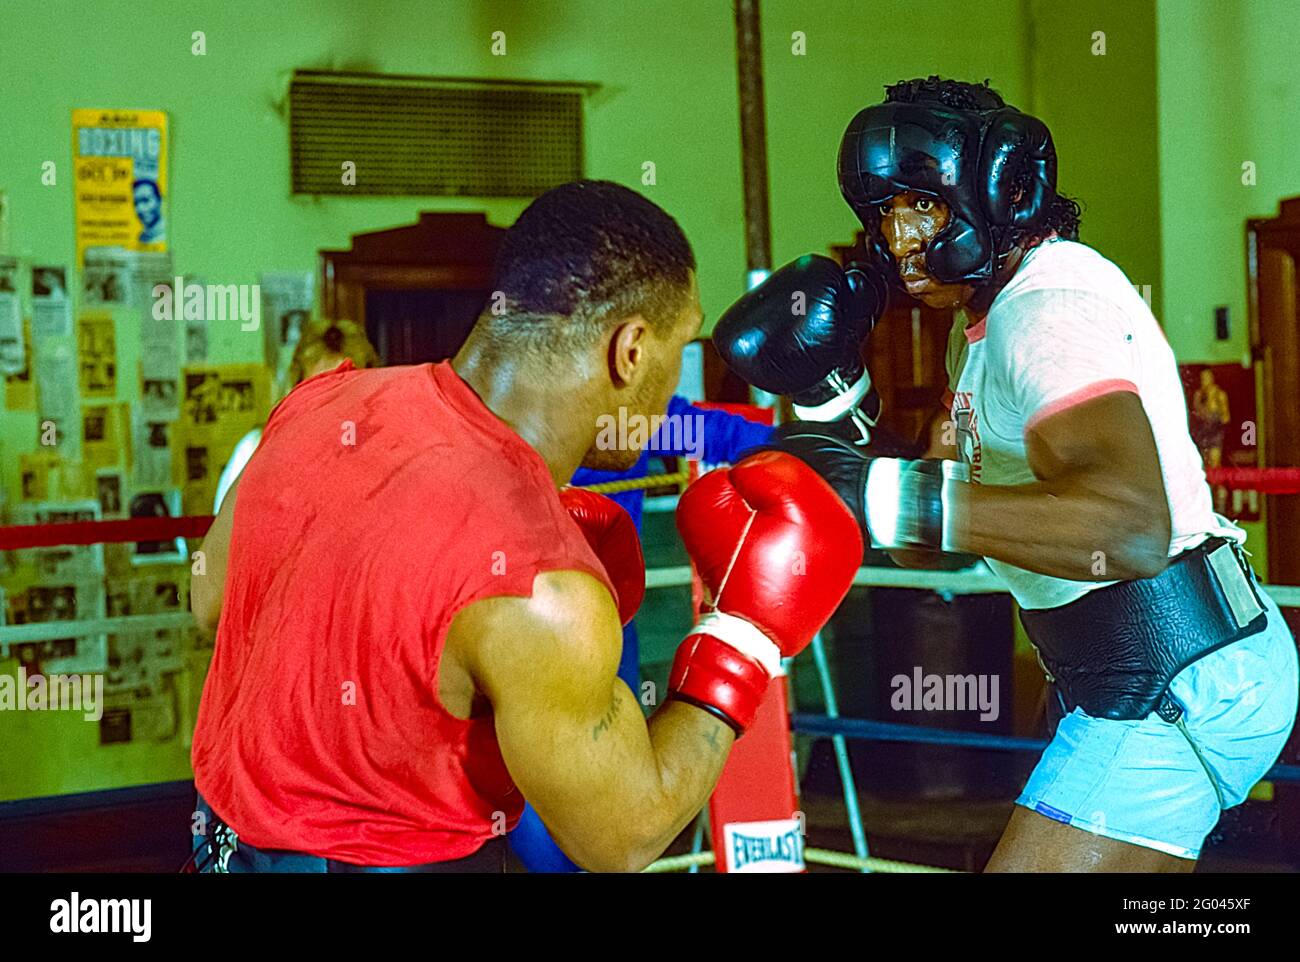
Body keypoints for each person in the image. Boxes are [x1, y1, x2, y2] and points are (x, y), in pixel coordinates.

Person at [187, 180, 861, 873]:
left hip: (218, 851)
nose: (675, 382)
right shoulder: (542, 585)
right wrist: (741, 636)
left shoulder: (321, 408)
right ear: (630, 351)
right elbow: (623, 835)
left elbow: (208, 604)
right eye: (681, 344)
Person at [714, 77, 1298, 872]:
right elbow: (932, 538)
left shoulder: (1046, 307)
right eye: (883, 212)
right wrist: (832, 403)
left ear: (1002, 187)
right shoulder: (983, 328)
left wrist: (881, 496)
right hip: (1145, 672)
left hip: (1171, 677)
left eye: (920, 205)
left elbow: (1127, 525)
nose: (897, 237)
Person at [511, 395, 775, 871]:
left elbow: (732, 437)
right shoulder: (512, 404)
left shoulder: (628, 412)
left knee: (604, 772)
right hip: (527, 620)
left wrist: (830, 436)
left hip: (607, 619)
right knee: (536, 772)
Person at [212, 317, 379, 512]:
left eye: (346, 387)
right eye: (320, 387)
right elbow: (226, 533)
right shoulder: (255, 448)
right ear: (297, 387)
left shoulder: (377, 451)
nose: (333, 403)